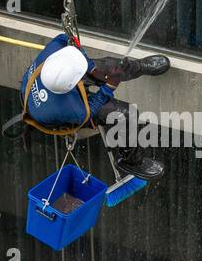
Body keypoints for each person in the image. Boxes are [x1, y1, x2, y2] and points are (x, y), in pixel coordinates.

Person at [15, 32, 170, 181]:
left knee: (111, 66)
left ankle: (139, 66)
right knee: (126, 114)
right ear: (72, 85)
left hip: (54, 85)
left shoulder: (55, 48)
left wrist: (93, 70)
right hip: (59, 109)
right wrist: (109, 86)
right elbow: (90, 111)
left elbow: (70, 41)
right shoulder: (72, 108)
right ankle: (130, 161)